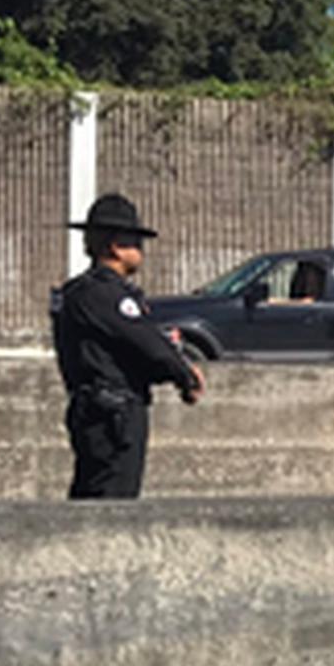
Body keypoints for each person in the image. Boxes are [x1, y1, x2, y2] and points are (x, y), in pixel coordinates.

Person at [51, 193, 202, 499]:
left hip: (101, 409)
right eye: (135, 242)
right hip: (112, 413)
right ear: (116, 247)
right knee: (112, 500)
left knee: (97, 495)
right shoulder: (103, 294)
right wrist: (184, 374)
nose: (141, 250)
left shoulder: (82, 293)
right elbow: (144, 342)